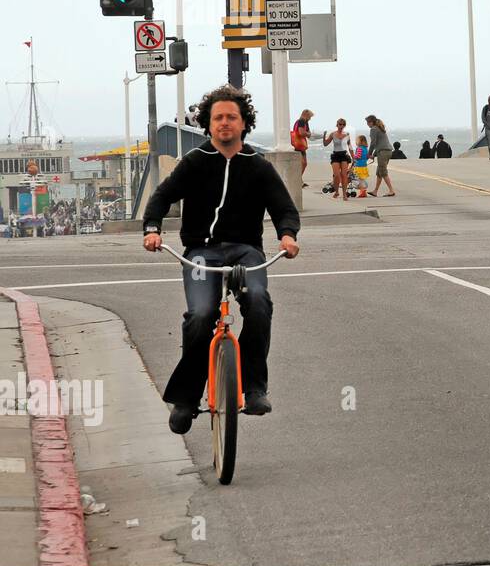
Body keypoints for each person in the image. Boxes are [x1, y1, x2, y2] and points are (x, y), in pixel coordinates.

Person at [141, 84, 300, 434]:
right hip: (201, 252)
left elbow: (284, 208)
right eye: (218, 118)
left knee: (258, 302)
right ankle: (185, 399)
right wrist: (152, 228)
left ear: (244, 123)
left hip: (246, 251)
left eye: (231, 117)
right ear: (208, 124)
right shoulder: (195, 163)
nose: (224, 123)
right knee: (201, 315)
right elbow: (162, 197)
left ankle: (253, 388)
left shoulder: (258, 166)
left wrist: (288, 236)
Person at [364, 115, 396, 197]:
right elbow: (379, 144)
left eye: (368, 122)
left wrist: (369, 154)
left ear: (371, 122)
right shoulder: (379, 128)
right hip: (387, 151)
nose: (367, 124)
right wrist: (374, 154)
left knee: (383, 172)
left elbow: (373, 143)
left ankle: (391, 190)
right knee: (379, 172)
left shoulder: (373, 129)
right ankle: (375, 191)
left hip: (383, 152)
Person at [324, 118, 354, 200]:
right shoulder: (333, 134)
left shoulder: (347, 134)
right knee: (336, 175)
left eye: (343, 124)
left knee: (344, 175)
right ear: (337, 125)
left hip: (344, 155)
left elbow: (349, 146)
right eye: (340, 124)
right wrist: (324, 136)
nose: (341, 126)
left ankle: (344, 194)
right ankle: (336, 191)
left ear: (344, 125)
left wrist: (353, 156)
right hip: (336, 155)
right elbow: (325, 144)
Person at [291, 109, 313, 187]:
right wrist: (308, 134)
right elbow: (301, 132)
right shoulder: (301, 121)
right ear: (307, 115)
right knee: (303, 163)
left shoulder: (305, 122)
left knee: (304, 163)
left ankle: (299, 179)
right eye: (310, 116)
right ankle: (297, 180)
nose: (310, 118)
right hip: (298, 144)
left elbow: (307, 132)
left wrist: (308, 133)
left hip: (301, 145)